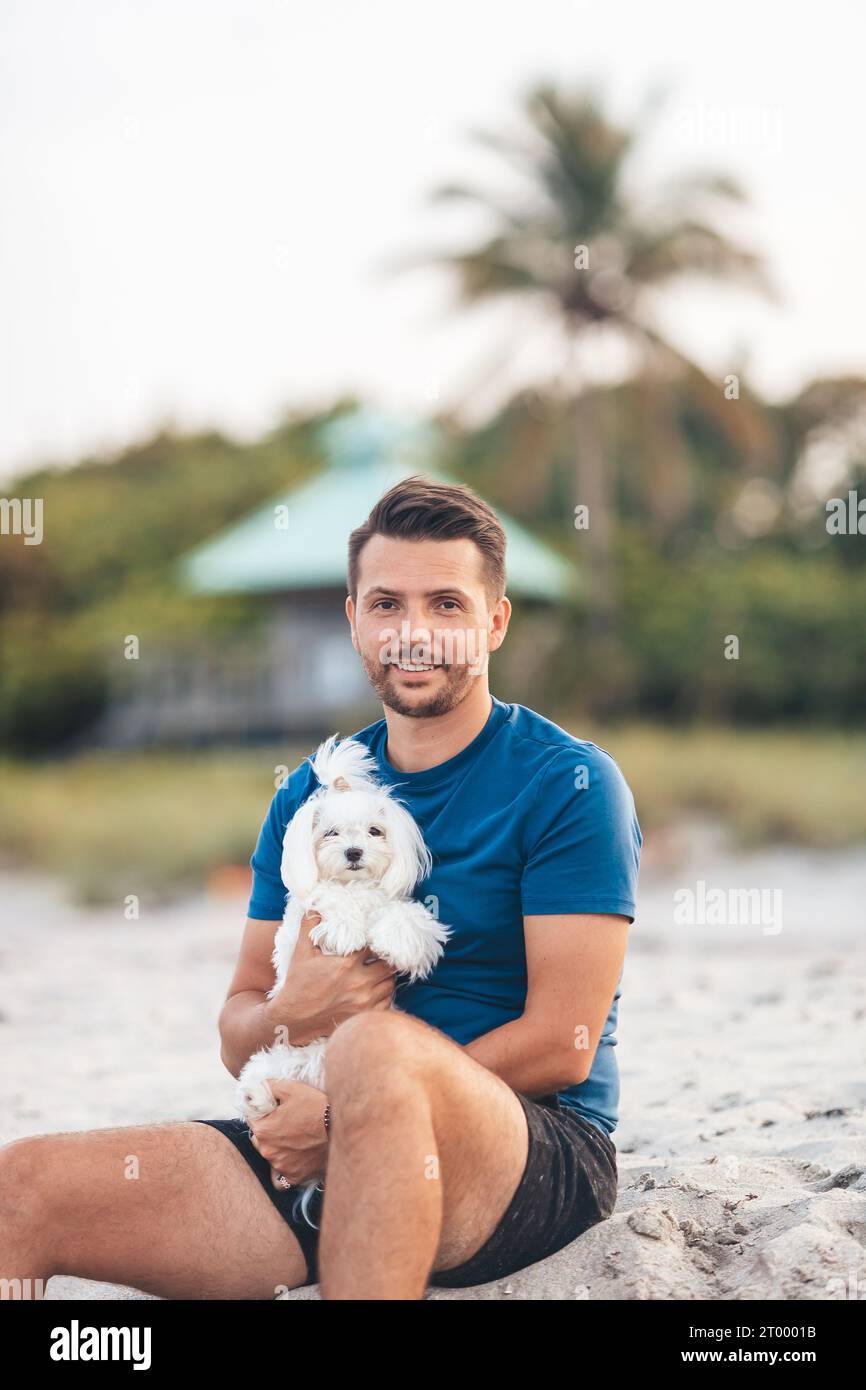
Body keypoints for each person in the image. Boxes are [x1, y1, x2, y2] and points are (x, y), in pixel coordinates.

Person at [0, 475, 641, 1301]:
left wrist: (347, 1120)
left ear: (495, 621)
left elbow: (566, 1040)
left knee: (375, 1047)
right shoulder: (309, 799)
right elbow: (239, 1029)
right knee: (22, 1187)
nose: (414, 632)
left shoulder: (570, 783)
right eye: (386, 604)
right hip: (311, 1147)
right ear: (353, 621)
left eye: (447, 605)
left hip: (526, 1155)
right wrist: (288, 1015)